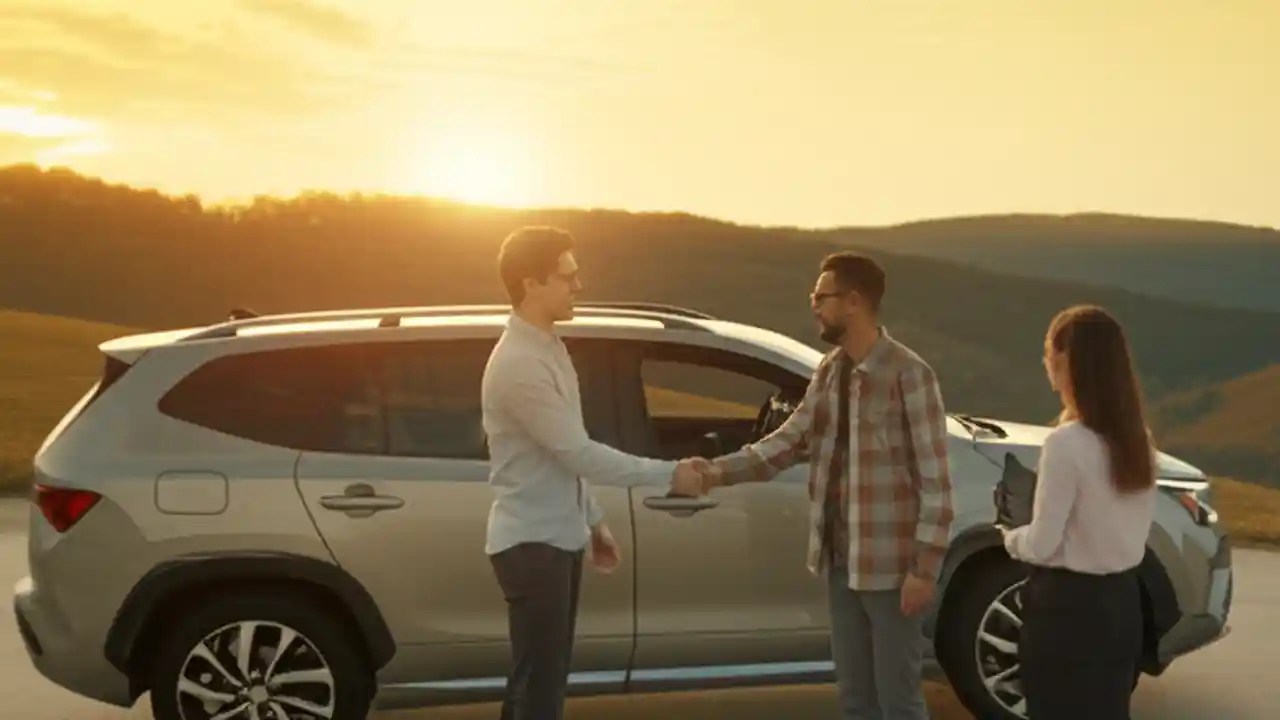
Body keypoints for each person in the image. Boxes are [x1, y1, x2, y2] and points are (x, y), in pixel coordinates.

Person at [701, 251, 954, 720]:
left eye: (821, 296)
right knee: (855, 700)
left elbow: (936, 480)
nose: (814, 305)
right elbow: (787, 442)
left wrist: (924, 569)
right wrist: (715, 471)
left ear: (854, 301)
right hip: (840, 562)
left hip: (891, 569)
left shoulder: (909, 375)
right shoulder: (829, 372)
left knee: (899, 702)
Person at [481, 226, 708, 720]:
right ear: (529, 284)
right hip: (532, 543)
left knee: (539, 681)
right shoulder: (519, 364)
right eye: (567, 276)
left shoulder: (547, 347)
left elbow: (561, 457)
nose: (578, 285)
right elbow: (578, 452)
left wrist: (592, 519)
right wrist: (671, 474)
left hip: (553, 538)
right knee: (538, 690)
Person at [1001, 305, 1157, 720]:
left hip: (1068, 611)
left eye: (1049, 350)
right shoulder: (1137, 438)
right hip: (1122, 606)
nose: (1045, 361)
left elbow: (1042, 543)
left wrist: (1008, 536)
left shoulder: (1066, 444)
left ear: (1068, 358)